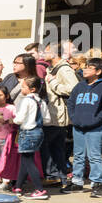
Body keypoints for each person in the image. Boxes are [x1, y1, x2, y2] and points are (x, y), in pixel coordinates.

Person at [66, 57, 102, 197]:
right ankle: (77, 181)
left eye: (89, 67)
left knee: (94, 156)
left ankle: (97, 184)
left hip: (95, 127)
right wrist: (74, 117)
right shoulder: (80, 86)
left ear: (99, 71)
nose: (84, 70)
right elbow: (71, 102)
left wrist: (98, 119)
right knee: (78, 155)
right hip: (78, 126)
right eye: (85, 67)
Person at [43, 51, 79, 187]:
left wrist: (53, 83)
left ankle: (54, 175)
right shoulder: (52, 69)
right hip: (54, 113)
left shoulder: (64, 69)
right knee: (56, 147)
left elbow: (74, 89)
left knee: (49, 145)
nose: (42, 54)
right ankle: (61, 176)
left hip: (58, 114)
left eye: (45, 51)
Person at [12, 76, 48, 199]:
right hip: (39, 132)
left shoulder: (26, 100)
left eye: (23, 87)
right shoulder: (41, 101)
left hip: (27, 132)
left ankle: (39, 189)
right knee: (25, 159)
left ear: (32, 89)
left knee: (28, 161)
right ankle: (18, 186)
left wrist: (13, 119)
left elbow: (19, 119)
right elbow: (47, 119)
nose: (21, 89)